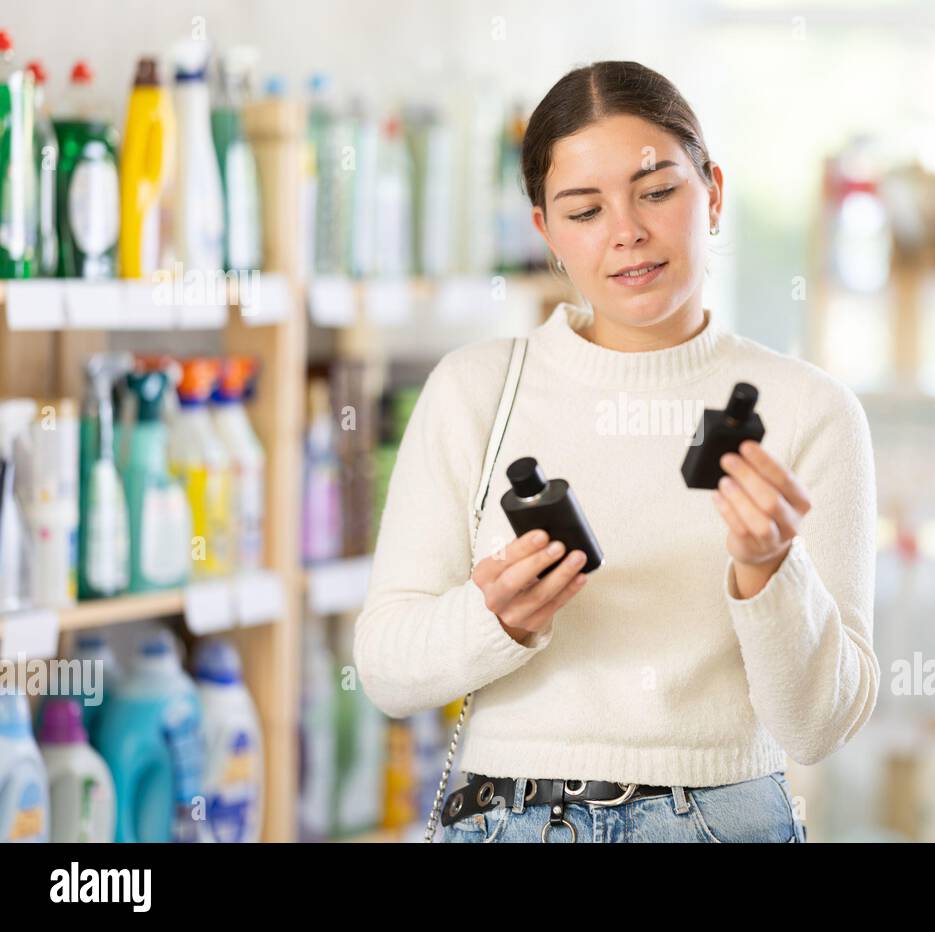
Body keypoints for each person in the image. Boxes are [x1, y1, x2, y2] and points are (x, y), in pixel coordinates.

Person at [354, 60, 879, 843]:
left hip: (719, 821)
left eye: (658, 190)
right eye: (584, 209)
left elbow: (819, 727)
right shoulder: (477, 389)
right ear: (545, 232)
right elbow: (387, 671)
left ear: (715, 193)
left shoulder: (809, 410)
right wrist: (492, 619)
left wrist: (770, 570)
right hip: (506, 820)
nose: (627, 230)